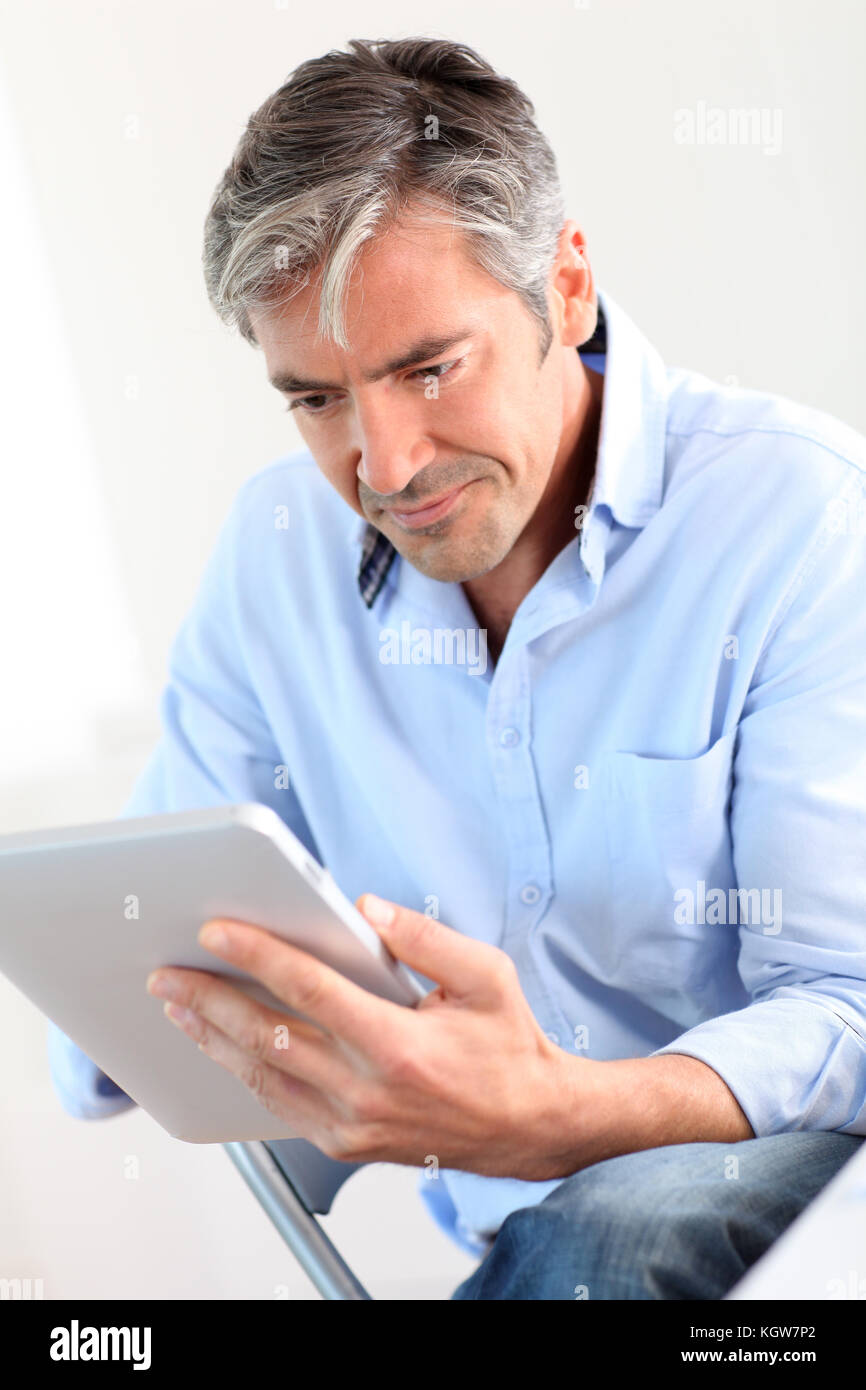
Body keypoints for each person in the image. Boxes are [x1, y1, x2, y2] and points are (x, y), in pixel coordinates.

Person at [49, 36, 866, 1300]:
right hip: (533, 1264)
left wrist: (559, 1110)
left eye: (426, 368)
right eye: (315, 399)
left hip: (794, 1210)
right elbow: (116, 986)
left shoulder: (796, 519)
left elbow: (848, 1013)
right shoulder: (276, 563)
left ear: (568, 285)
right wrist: (173, 1005)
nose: (382, 466)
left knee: (608, 1234)